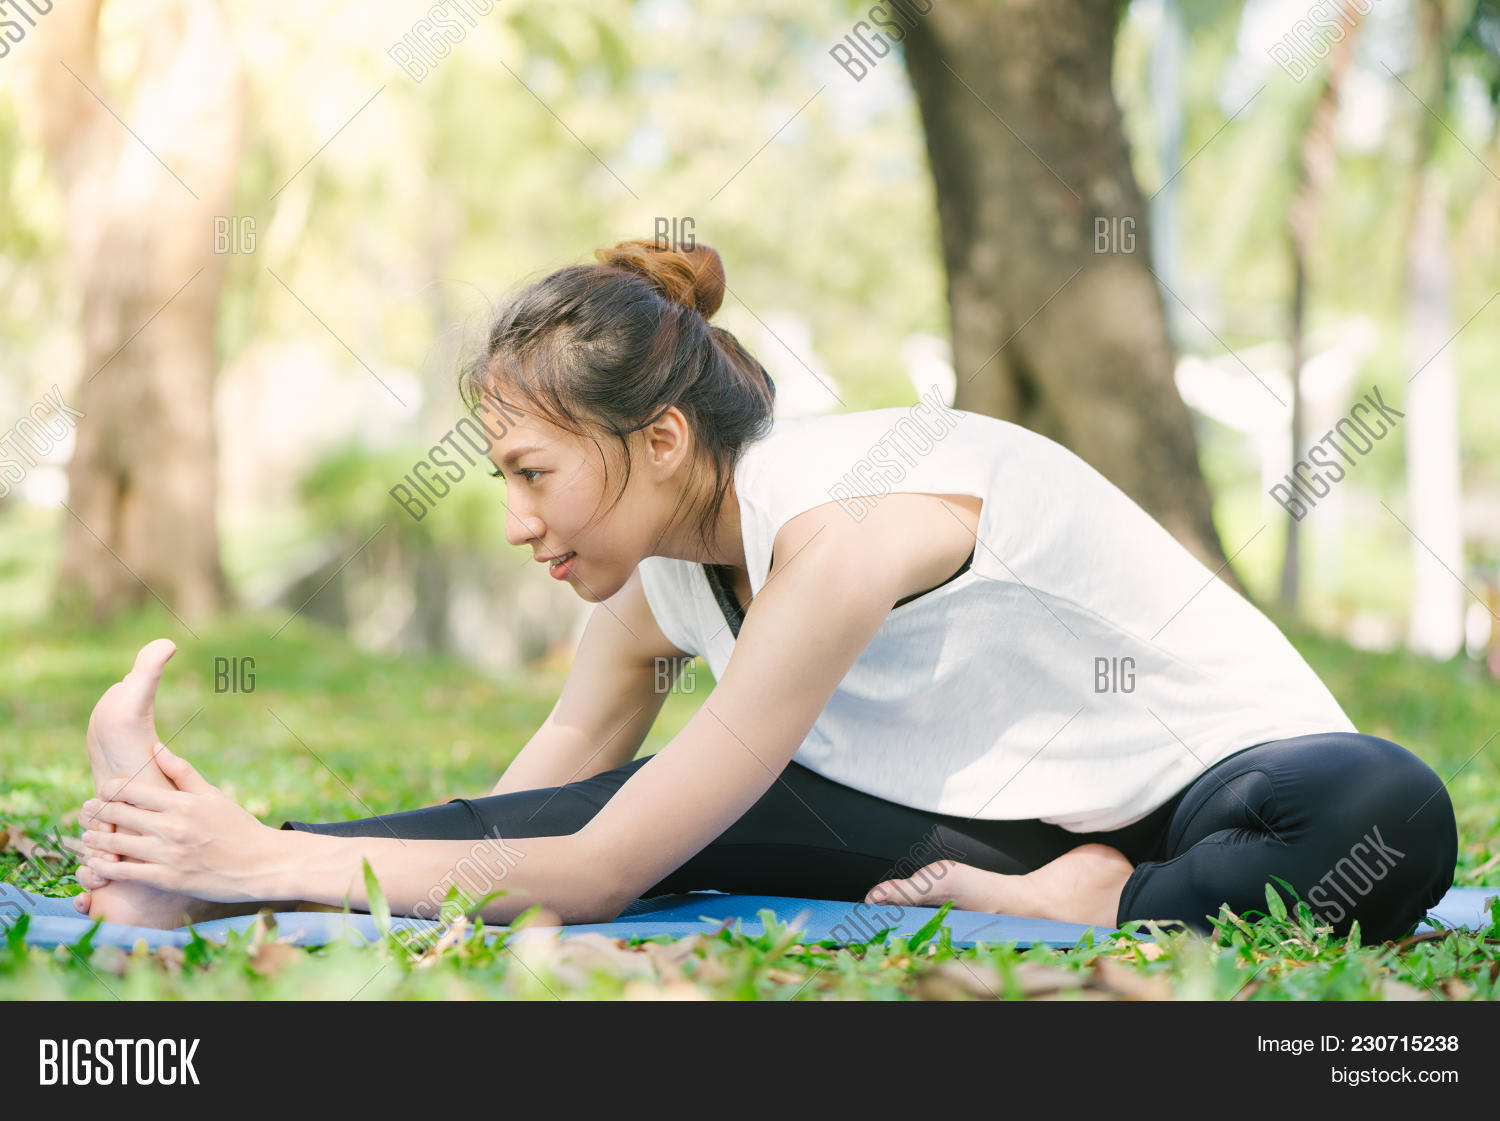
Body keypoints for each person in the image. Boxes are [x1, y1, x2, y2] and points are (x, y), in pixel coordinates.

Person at [72, 238, 1457, 942]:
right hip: (998, 831)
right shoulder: (661, 582)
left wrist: (268, 858)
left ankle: (1105, 900)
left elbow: (604, 872)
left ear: (661, 439)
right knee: (696, 811)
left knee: (1390, 815)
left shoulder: (840, 528)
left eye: (534, 473)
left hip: (1233, 793)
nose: (513, 521)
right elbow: (549, 810)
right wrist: (229, 860)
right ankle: (177, 881)